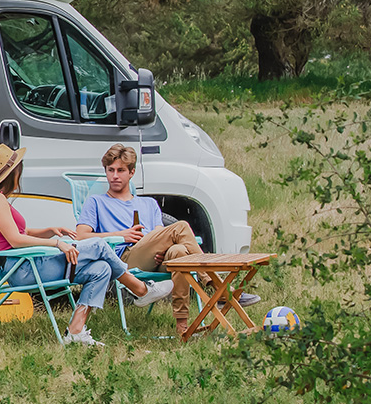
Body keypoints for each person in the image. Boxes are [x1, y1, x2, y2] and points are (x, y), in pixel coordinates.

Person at [0, 144, 172, 347]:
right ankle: (140, 289)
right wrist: (56, 243)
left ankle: (75, 331)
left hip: (26, 264)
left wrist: (49, 230)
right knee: (98, 246)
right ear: (12, 173)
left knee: (101, 269)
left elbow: (20, 233)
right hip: (21, 269)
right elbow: (15, 241)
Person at [74, 143, 259, 336]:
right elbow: (81, 236)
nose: (114, 175)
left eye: (120, 170)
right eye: (110, 170)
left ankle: (183, 328)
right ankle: (219, 288)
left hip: (155, 257)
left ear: (131, 172)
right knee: (181, 227)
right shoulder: (96, 202)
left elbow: (159, 234)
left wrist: (161, 250)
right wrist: (121, 235)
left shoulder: (148, 204)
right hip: (125, 260)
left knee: (178, 253)